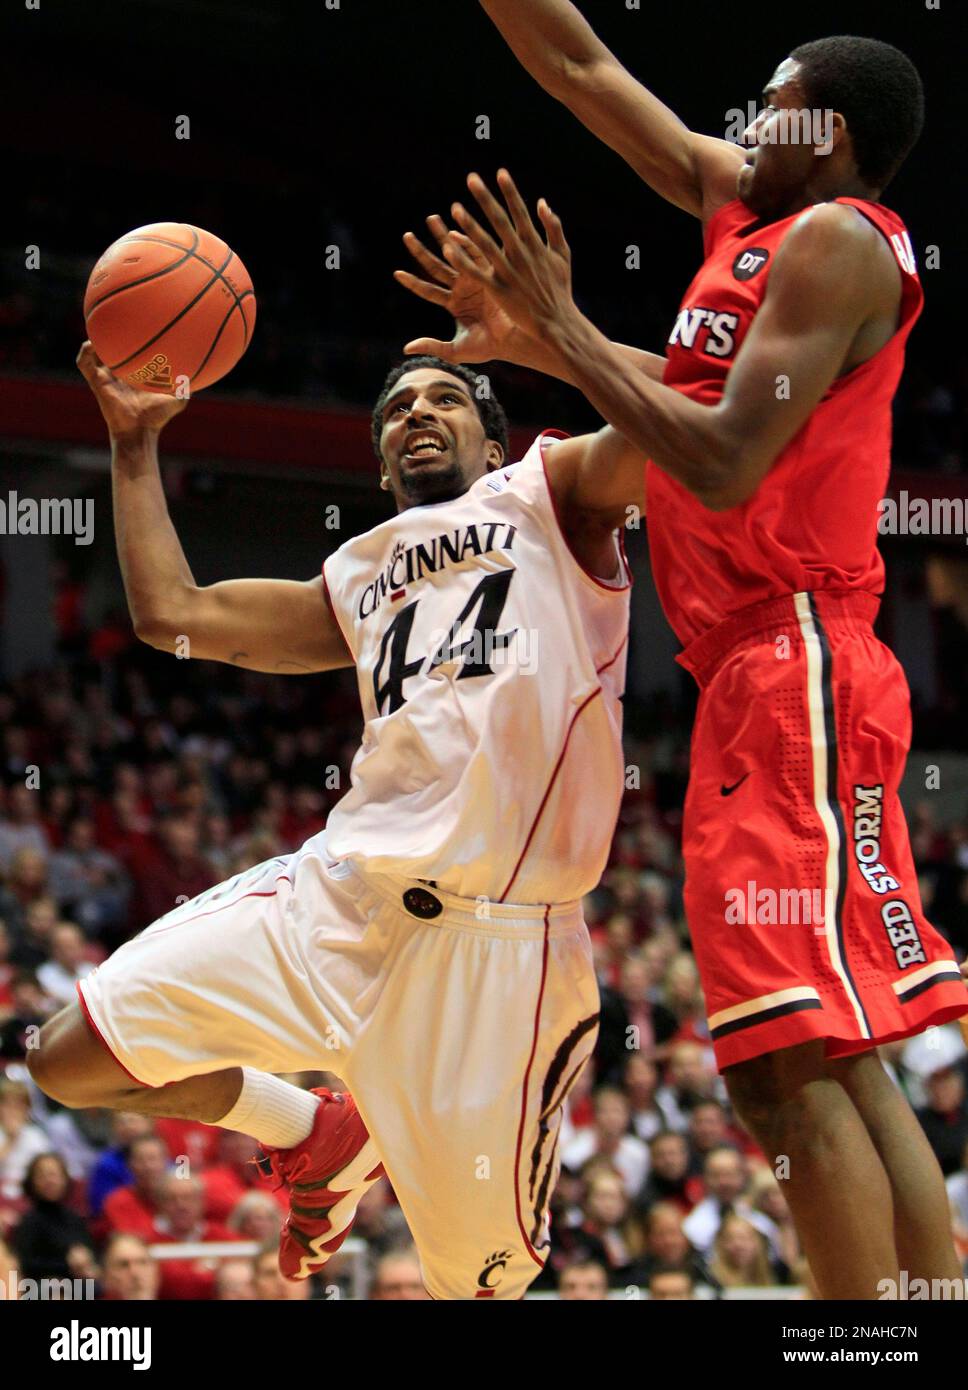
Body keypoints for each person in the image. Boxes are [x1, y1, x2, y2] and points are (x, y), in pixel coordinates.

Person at [400, 1, 968, 1299]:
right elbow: (583, 65)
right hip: (762, 677)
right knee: (822, 1060)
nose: (743, 123)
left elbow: (716, 461)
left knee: (792, 1070)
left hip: (797, 656)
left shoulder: (833, 243)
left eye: (770, 103)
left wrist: (568, 325)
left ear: (827, 134)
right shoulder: (755, 216)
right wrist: (558, 340)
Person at [28, 339, 648, 1301]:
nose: (419, 413)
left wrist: (556, 333)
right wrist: (134, 444)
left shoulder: (551, 496)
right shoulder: (356, 576)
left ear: (494, 443)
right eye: (399, 407)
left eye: (447, 398)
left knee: (474, 1288)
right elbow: (173, 613)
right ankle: (312, 1131)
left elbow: (697, 405)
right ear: (380, 459)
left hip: (499, 957)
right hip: (338, 900)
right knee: (66, 1059)